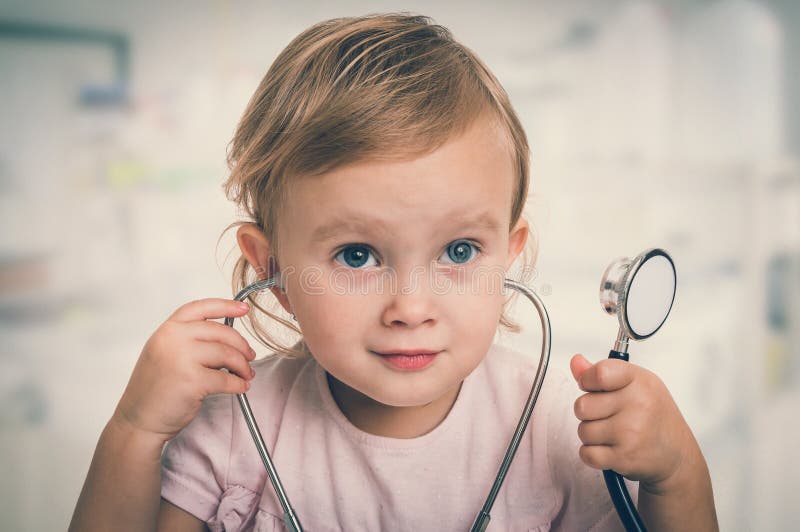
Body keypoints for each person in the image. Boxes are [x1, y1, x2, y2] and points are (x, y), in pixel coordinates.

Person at [69, 13, 718, 532]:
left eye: (459, 252)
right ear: (274, 270)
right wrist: (133, 434)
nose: (411, 307)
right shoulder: (234, 429)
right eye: (357, 255)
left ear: (509, 252)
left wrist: (679, 477)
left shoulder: (551, 427)